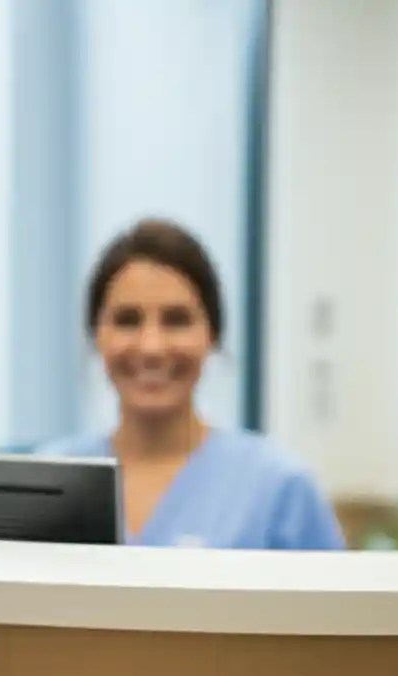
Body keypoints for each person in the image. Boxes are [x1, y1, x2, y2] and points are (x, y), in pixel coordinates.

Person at [40, 218, 345, 550]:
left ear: (212, 335)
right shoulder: (49, 485)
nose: (152, 347)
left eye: (177, 320)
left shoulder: (280, 491)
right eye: (127, 320)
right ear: (96, 335)